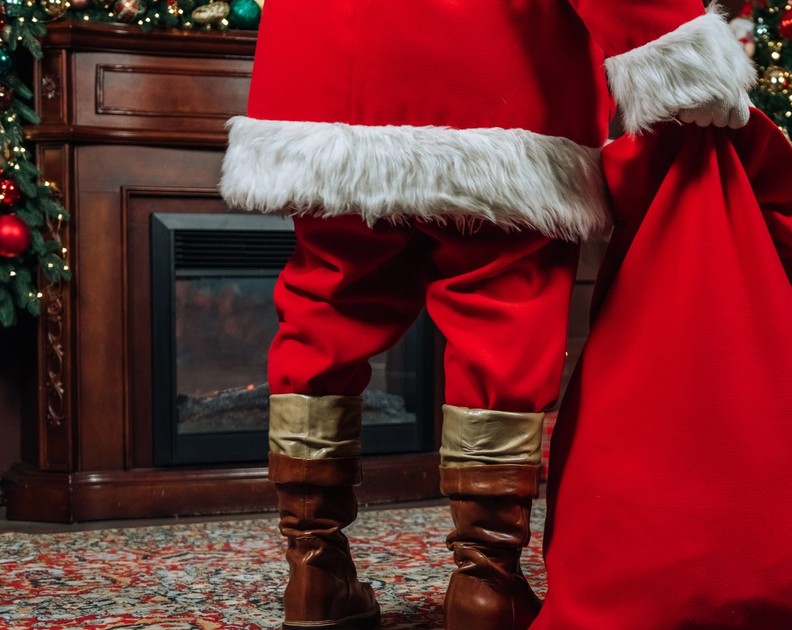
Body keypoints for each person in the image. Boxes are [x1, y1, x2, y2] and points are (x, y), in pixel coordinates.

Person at [219, 1, 755, 629]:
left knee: (328, 301)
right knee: (504, 312)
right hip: (496, 65)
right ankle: (485, 585)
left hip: (329, 60)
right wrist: (675, 44)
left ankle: (315, 576)